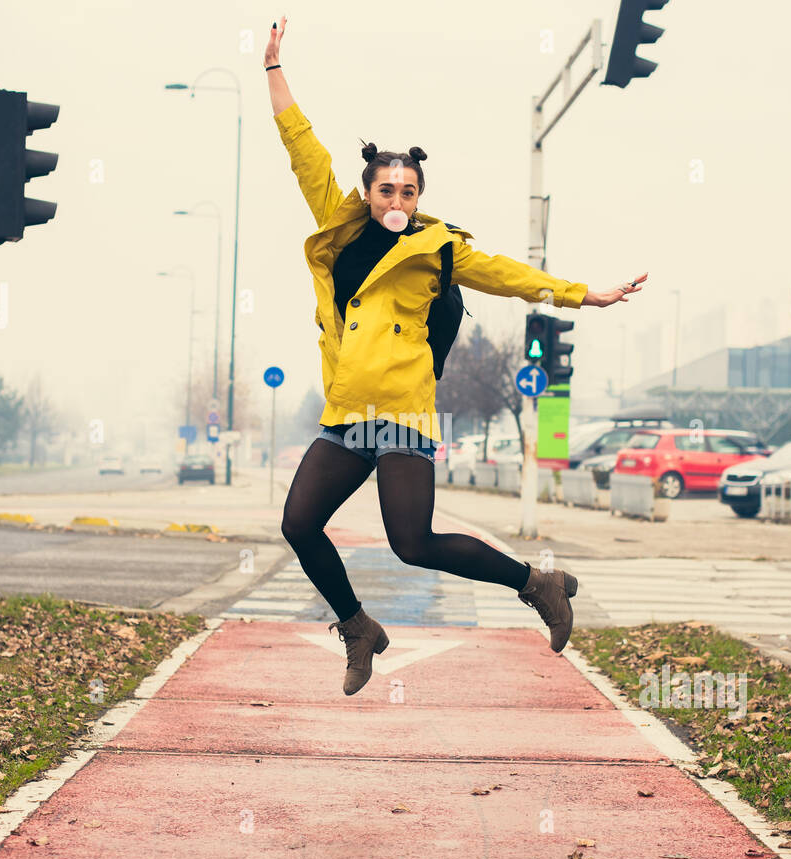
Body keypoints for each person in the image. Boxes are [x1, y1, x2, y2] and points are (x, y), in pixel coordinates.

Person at [266, 17, 647, 695]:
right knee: (299, 522)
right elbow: (304, 150)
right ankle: (359, 627)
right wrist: (274, 71)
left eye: (409, 192)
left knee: (413, 542)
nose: (398, 200)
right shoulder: (338, 221)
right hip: (348, 411)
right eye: (387, 189)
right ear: (367, 191)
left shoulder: (438, 245)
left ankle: (539, 584)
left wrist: (585, 295)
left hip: (403, 412)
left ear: (419, 198)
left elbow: (509, 274)